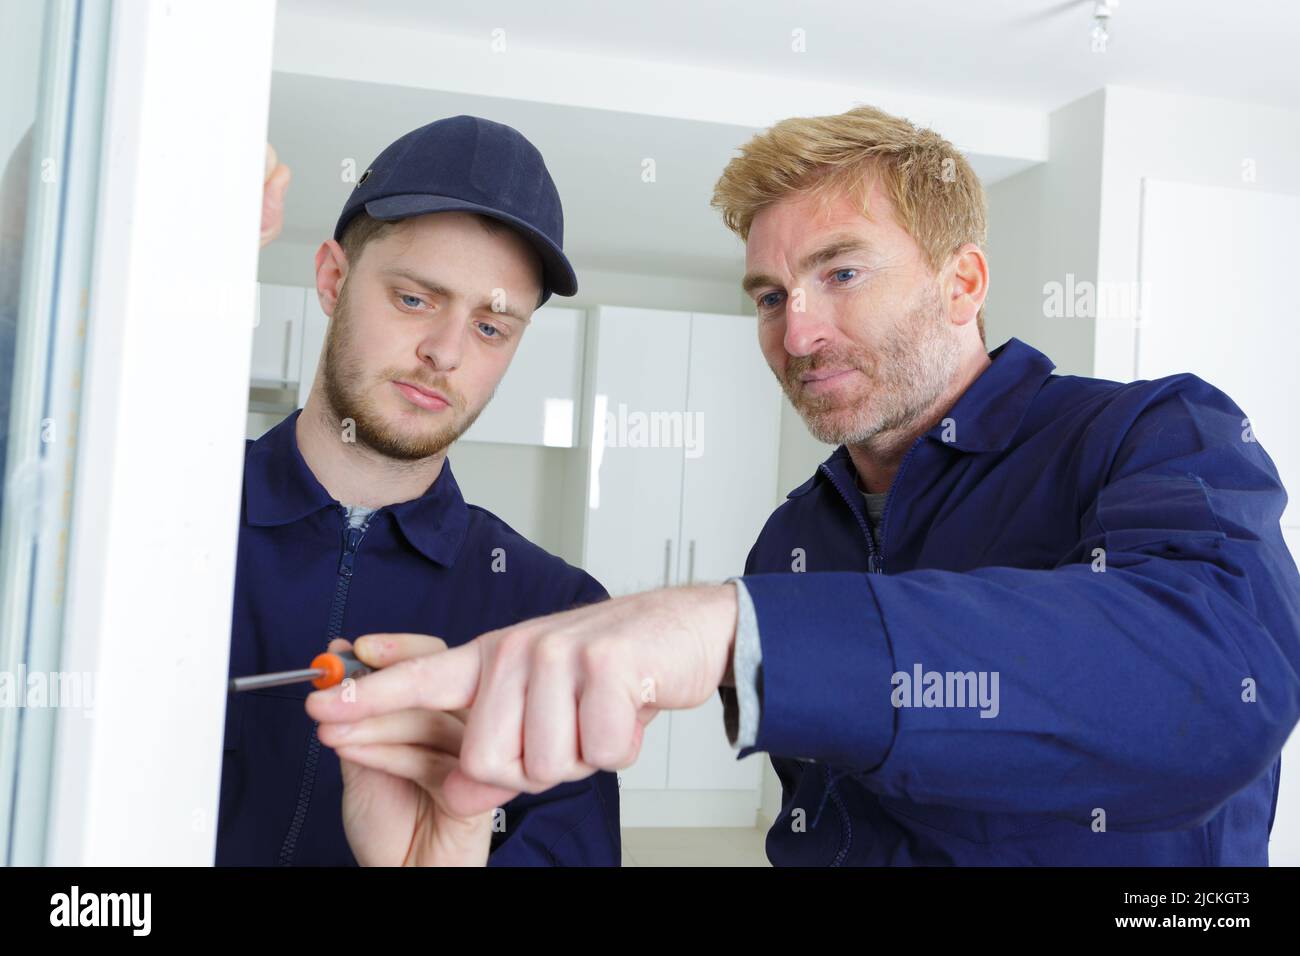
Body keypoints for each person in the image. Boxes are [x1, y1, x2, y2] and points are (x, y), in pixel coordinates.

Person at [307, 104, 1300, 866]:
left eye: (841, 275)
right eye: (772, 296)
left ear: (960, 283)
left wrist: (739, 632)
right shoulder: (795, 537)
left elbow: (1217, 682)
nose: (796, 333)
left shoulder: (1148, 433)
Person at [218, 115, 620, 866]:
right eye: (414, 299)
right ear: (334, 280)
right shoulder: (161, 511)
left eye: (492, 327)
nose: (445, 353)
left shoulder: (557, 615)